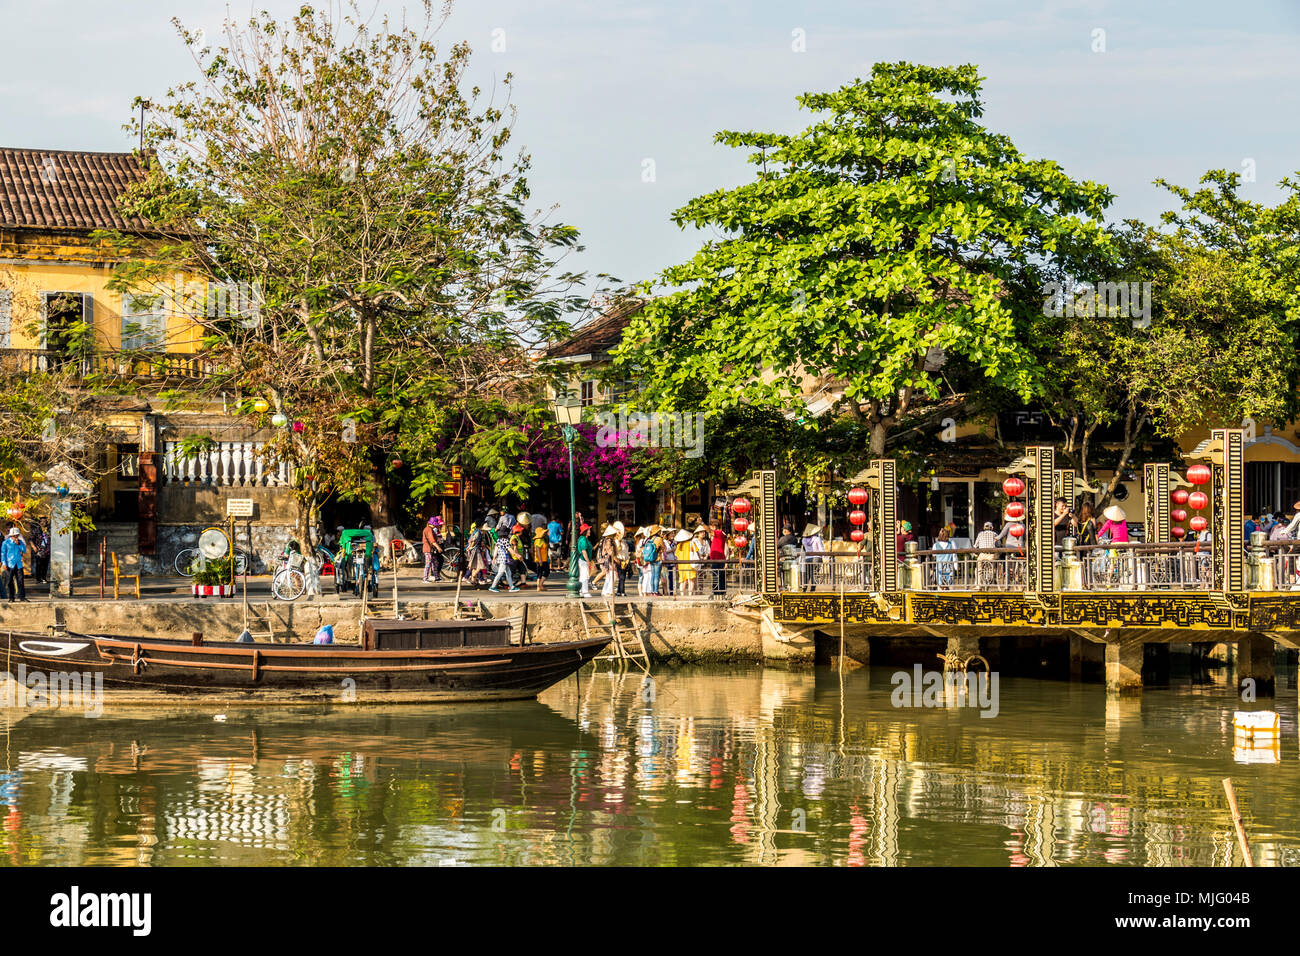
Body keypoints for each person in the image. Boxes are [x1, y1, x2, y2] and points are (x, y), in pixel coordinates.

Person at [488, 526, 521, 593]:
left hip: (501, 558)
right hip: (504, 559)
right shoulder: (506, 541)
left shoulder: (498, 540)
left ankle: (512, 587)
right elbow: (509, 549)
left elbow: (496, 549)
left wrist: (494, 558)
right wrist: (516, 555)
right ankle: (493, 586)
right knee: (500, 573)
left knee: (508, 573)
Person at [2, 528, 27, 603]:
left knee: (20, 581)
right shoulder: (6, 543)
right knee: (10, 581)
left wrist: (19, 545)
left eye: (17, 535)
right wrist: (4, 563)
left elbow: (24, 550)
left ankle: (22, 597)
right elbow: (3, 553)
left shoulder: (20, 542)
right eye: (14, 535)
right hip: (9, 564)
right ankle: (11, 597)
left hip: (18, 564)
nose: (16, 537)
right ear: (11, 535)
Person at [800, 522, 825, 592]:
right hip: (817, 558)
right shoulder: (817, 539)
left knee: (807, 573)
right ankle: (812, 589)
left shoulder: (803, 540)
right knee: (815, 573)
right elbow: (821, 549)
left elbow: (805, 548)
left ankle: (804, 588)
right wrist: (826, 557)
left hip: (807, 558)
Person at [421, 516, 444, 583]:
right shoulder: (429, 529)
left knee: (435, 563)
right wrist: (438, 547)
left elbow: (436, 538)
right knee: (428, 564)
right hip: (428, 549)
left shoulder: (430, 529)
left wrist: (439, 540)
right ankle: (425, 578)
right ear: (433, 524)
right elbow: (432, 540)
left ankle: (436, 577)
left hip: (431, 549)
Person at [674, 529, 696, 596]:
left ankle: (682, 594)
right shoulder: (691, 544)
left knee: (682, 580)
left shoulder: (678, 546)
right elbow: (696, 552)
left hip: (681, 565)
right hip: (690, 564)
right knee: (691, 580)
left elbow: (676, 555)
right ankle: (690, 594)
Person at [709, 519, 727, 594]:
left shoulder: (718, 533)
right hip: (717, 559)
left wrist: (702, 523)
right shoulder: (718, 535)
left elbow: (709, 531)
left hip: (718, 559)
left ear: (714, 526)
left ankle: (718, 593)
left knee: (717, 577)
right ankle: (720, 592)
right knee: (719, 576)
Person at [599, 526, 618, 597]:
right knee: (613, 576)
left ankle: (604, 591)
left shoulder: (605, 540)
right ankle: (609, 591)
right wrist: (610, 552)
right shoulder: (608, 540)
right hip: (609, 560)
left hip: (608, 560)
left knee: (609, 577)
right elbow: (606, 550)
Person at [576, 523, 593, 598]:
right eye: (588, 530)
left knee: (583, 576)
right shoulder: (583, 539)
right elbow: (584, 551)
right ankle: (585, 591)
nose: (590, 531)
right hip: (584, 560)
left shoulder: (584, 539)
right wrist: (588, 561)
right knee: (585, 576)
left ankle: (581, 591)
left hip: (583, 560)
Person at [31, 519, 50, 585]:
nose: (43, 523)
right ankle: (38, 579)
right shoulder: (36, 530)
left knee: (45, 565)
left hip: (47, 550)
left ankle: (44, 578)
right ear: (39, 522)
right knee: (39, 565)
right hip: (39, 549)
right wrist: (34, 547)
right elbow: (31, 539)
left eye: (45, 521)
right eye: (42, 521)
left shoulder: (48, 530)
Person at [533, 527, 549, 592]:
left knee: (539, 573)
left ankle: (539, 586)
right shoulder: (539, 540)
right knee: (546, 572)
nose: (544, 533)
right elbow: (538, 550)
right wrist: (540, 560)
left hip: (543, 559)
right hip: (541, 559)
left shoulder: (541, 540)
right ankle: (540, 585)